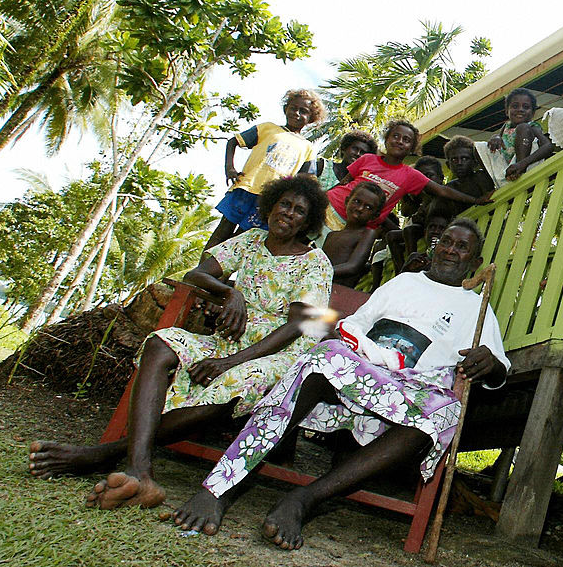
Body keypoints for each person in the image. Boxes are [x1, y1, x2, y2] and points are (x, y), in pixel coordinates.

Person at [171, 218, 510, 550]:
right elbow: (354, 325)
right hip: (360, 369)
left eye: (462, 247)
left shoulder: (477, 308)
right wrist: (364, 351)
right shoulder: (404, 282)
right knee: (324, 356)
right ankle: (219, 489)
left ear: (475, 262)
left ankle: (305, 499)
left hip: (410, 393)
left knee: (443, 415)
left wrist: (489, 363)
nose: (450, 250)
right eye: (445, 242)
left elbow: (498, 371)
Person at [28, 176, 333, 510]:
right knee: (162, 342)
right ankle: (139, 469)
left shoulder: (315, 263)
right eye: (284, 204)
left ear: (310, 221)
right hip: (227, 340)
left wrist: (229, 362)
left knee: (237, 380)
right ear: (271, 205)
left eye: (299, 211)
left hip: (276, 353)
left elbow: (298, 326)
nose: (288, 213)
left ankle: (103, 456)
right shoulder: (249, 241)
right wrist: (230, 292)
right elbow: (196, 275)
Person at [205, 90, 324, 251]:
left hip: (269, 201)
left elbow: (306, 180)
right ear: (286, 108)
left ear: (311, 118)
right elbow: (233, 141)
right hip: (245, 187)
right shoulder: (268, 128)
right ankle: (197, 273)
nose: (297, 113)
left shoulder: (307, 147)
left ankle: (219, 276)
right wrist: (230, 168)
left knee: (242, 240)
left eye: (303, 111)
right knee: (223, 230)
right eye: (293, 108)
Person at [324, 120, 490, 235]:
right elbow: (345, 181)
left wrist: (475, 201)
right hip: (328, 209)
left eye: (406, 140)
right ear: (387, 138)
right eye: (395, 136)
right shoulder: (367, 159)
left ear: (412, 148)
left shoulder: (410, 175)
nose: (400, 141)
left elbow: (442, 191)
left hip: (355, 228)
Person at [474, 88, 554, 187]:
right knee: (478, 146)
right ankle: (495, 181)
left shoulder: (532, 126)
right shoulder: (506, 126)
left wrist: (522, 164)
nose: (520, 109)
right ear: (507, 111)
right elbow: (499, 138)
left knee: (523, 127)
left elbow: (548, 146)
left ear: (533, 113)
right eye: (515, 106)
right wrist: (496, 137)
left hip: (526, 164)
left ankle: (519, 172)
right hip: (507, 167)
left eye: (526, 107)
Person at [323, 182, 386, 288]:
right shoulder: (332, 235)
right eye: (357, 202)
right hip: (319, 285)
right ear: (347, 201)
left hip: (338, 291)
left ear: (375, 215)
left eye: (368, 207)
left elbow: (353, 266)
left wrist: (320, 273)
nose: (360, 208)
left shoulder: (367, 234)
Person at [390, 155, 444, 271]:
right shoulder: (422, 196)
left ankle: (414, 264)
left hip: (440, 230)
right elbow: (407, 212)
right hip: (425, 229)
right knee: (393, 235)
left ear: (441, 178)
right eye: (420, 177)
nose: (425, 180)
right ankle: (401, 269)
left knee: (410, 231)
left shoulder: (445, 194)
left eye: (429, 176)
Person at [444, 135, 496, 216]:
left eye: (464, 158)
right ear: (448, 165)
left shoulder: (480, 176)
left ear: (475, 162)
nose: (459, 163)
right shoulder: (449, 187)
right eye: (454, 159)